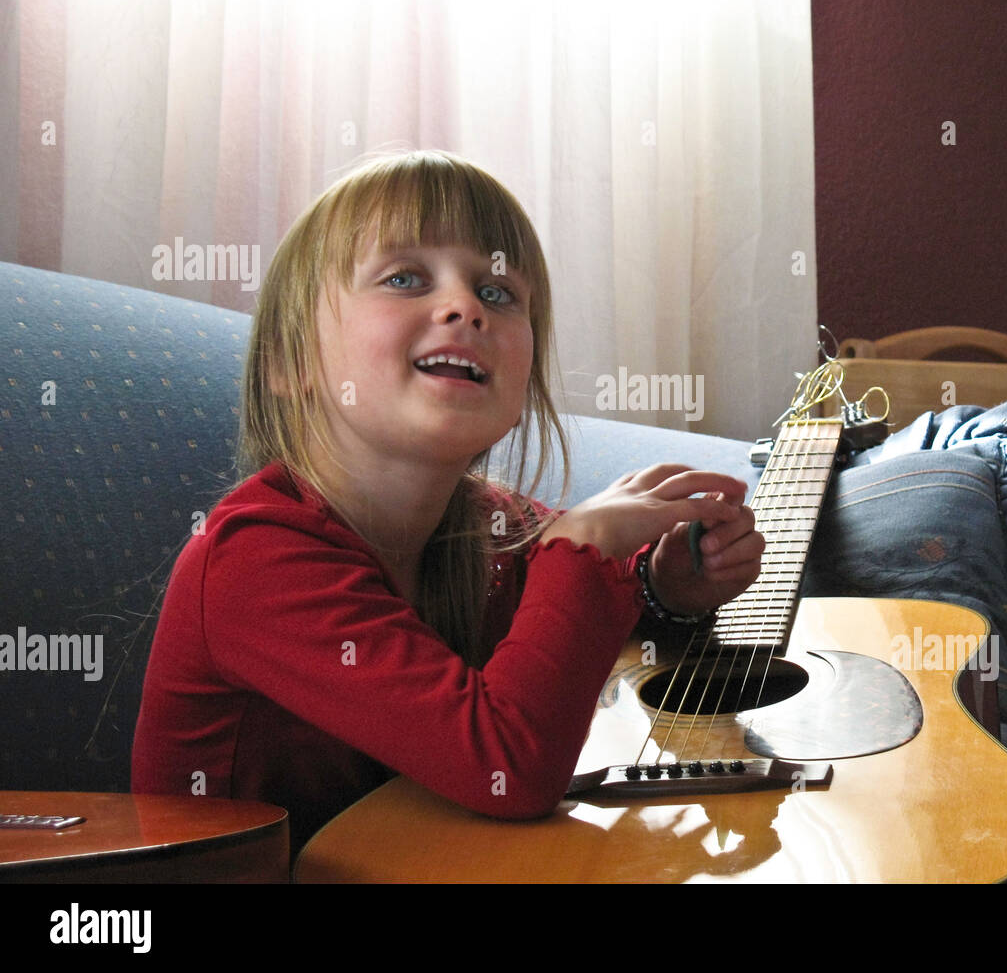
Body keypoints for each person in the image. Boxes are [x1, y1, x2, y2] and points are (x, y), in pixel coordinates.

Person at [131, 150, 764, 854]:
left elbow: (574, 621)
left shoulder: (488, 522)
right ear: (291, 362)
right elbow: (508, 768)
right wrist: (582, 546)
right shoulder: (254, 560)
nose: (464, 306)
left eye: (498, 294)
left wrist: (668, 580)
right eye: (404, 278)